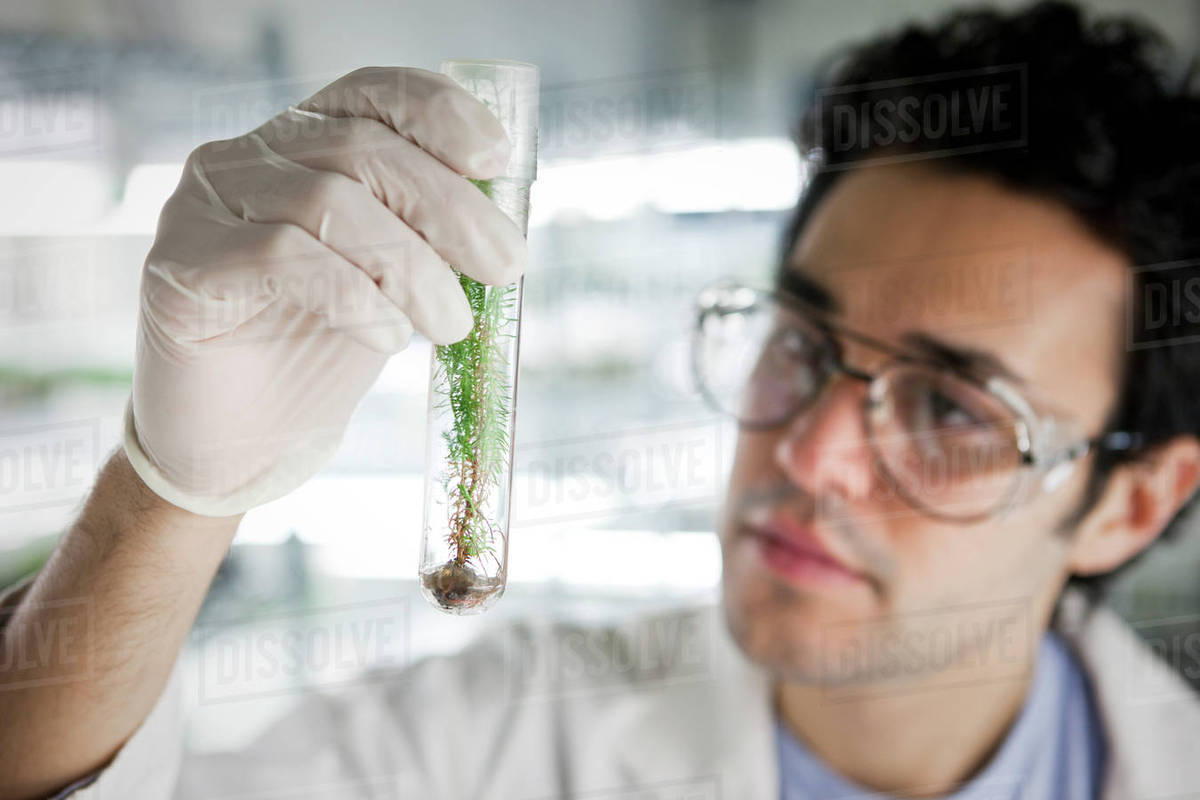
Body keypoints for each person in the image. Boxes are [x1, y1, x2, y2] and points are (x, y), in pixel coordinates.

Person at [2, 1, 1199, 798]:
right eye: (802, 338)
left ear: (1131, 502)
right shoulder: (489, 739)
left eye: (951, 411)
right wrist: (172, 492)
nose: (813, 450)